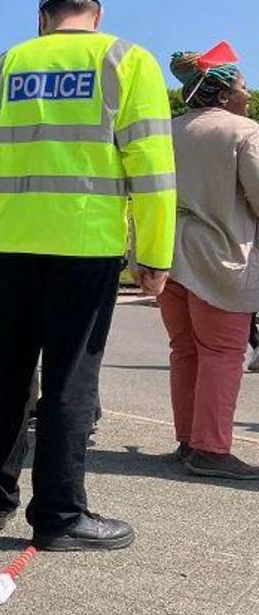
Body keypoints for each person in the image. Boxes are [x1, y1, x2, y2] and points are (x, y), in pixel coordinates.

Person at [0, 0, 175, 550]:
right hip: (85, 242)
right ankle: (60, 514)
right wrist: (155, 253)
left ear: (43, 15)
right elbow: (152, 169)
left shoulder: (3, 66)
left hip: (12, 241)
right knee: (70, 378)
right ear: (97, 13)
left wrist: (1, 228)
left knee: (8, 372)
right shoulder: (127, 60)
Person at [161, 47, 259, 479]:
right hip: (220, 255)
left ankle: (188, 440)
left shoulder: (166, 131)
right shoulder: (245, 131)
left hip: (167, 253)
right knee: (222, 352)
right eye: (242, 86)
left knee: (184, 350)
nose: (248, 93)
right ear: (222, 95)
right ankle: (212, 449)